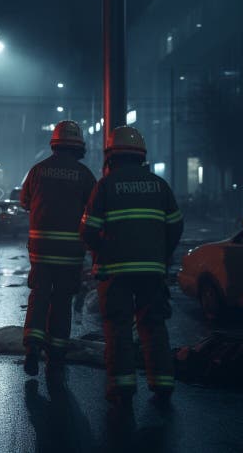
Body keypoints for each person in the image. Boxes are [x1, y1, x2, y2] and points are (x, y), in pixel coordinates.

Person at [80, 126, 183, 407]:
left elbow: (88, 230)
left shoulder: (105, 186)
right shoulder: (159, 185)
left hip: (115, 271)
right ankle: (163, 385)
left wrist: (101, 251)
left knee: (118, 326)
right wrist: (162, 255)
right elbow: (175, 226)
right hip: (152, 270)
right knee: (153, 325)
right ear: (141, 156)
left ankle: (122, 387)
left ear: (111, 156)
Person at [20, 120, 96, 377]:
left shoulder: (38, 170)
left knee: (39, 294)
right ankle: (57, 354)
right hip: (70, 251)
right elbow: (95, 210)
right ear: (78, 146)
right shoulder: (85, 175)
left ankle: (32, 346)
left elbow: (25, 202)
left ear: (54, 143)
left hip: (40, 248)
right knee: (62, 300)